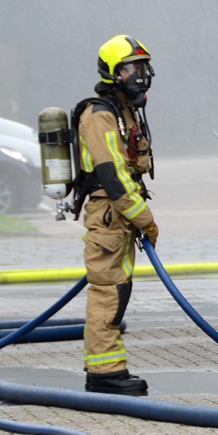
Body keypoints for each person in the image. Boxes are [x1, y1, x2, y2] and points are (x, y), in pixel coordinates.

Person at [74, 34, 158, 395]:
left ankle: (110, 368)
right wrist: (145, 220)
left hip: (119, 217)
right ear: (112, 72)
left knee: (118, 291)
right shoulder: (99, 115)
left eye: (142, 67)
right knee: (108, 293)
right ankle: (105, 373)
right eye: (131, 68)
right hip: (110, 215)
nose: (139, 75)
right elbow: (113, 177)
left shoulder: (122, 110)